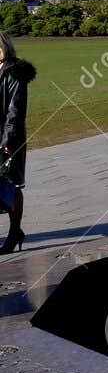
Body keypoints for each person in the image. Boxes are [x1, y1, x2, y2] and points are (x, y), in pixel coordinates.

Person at [0, 33, 35, 255]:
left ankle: (14, 233)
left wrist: (7, 140)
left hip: (7, 136)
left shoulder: (14, 73)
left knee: (11, 184)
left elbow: (15, 111)